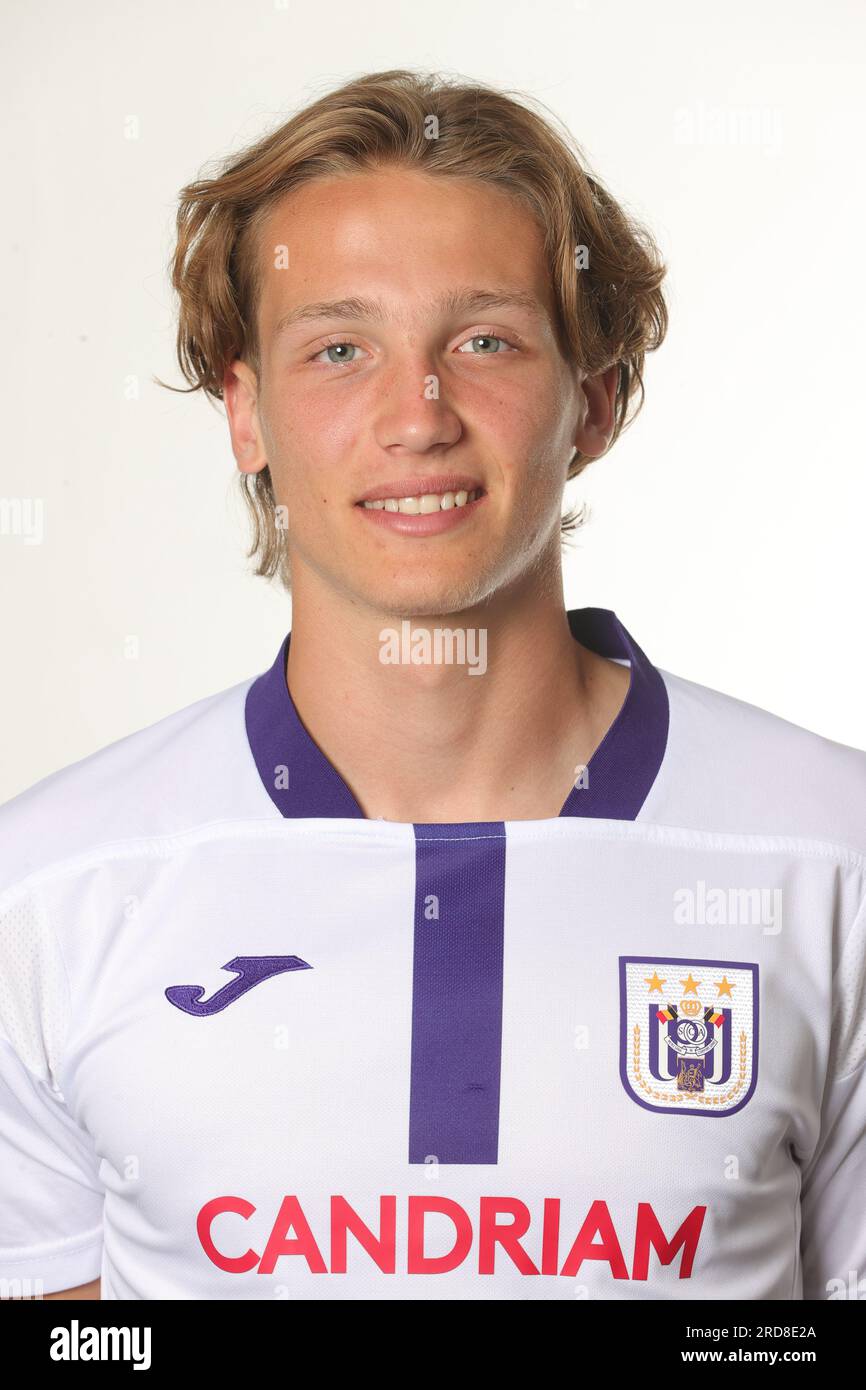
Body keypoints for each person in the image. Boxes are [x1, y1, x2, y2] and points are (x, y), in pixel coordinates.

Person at [1, 69, 863, 1302]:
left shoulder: (831, 861)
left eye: (484, 342)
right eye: (339, 347)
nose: (416, 418)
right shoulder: (47, 893)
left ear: (594, 400)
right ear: (246, 413)